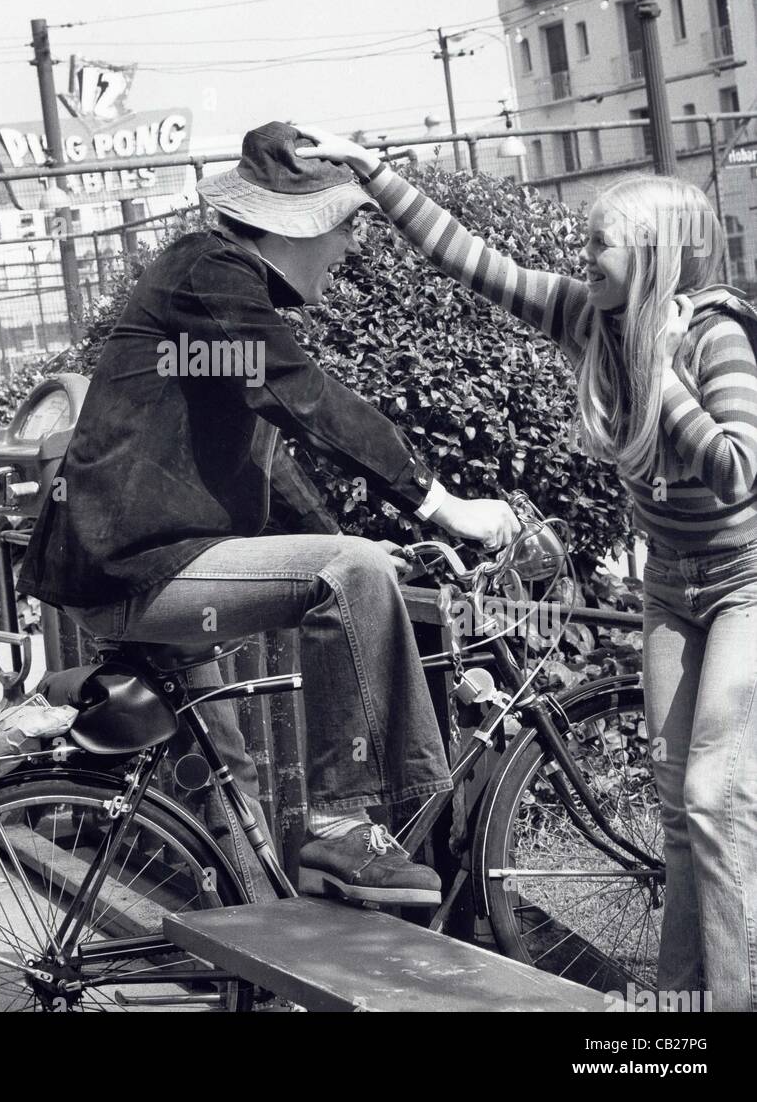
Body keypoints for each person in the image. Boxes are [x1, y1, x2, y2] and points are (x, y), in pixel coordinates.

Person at [295, 124, 757, 1009]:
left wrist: (658, 376)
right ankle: (680, 1007)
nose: (577, 255)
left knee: (710, 798)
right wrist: (377, 174)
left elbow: (738, 468)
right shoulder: (589, 314)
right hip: (669, 583)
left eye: (596, 243)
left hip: (743, 580)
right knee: (674, 812)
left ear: (653, 257)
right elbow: (472, 260)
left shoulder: (715, 338)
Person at [18, 120, 519, 907]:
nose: (353, 246)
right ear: (306, 223)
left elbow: (268, 454)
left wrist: (353, 542)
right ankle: (344, 821)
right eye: (350, 224)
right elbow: (299, 391)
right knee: (342, 574)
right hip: (138, 566)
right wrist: (436, 502)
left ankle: (258, 968)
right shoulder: (208, 273)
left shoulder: (214, 289)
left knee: (232, 791)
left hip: (130, 561)